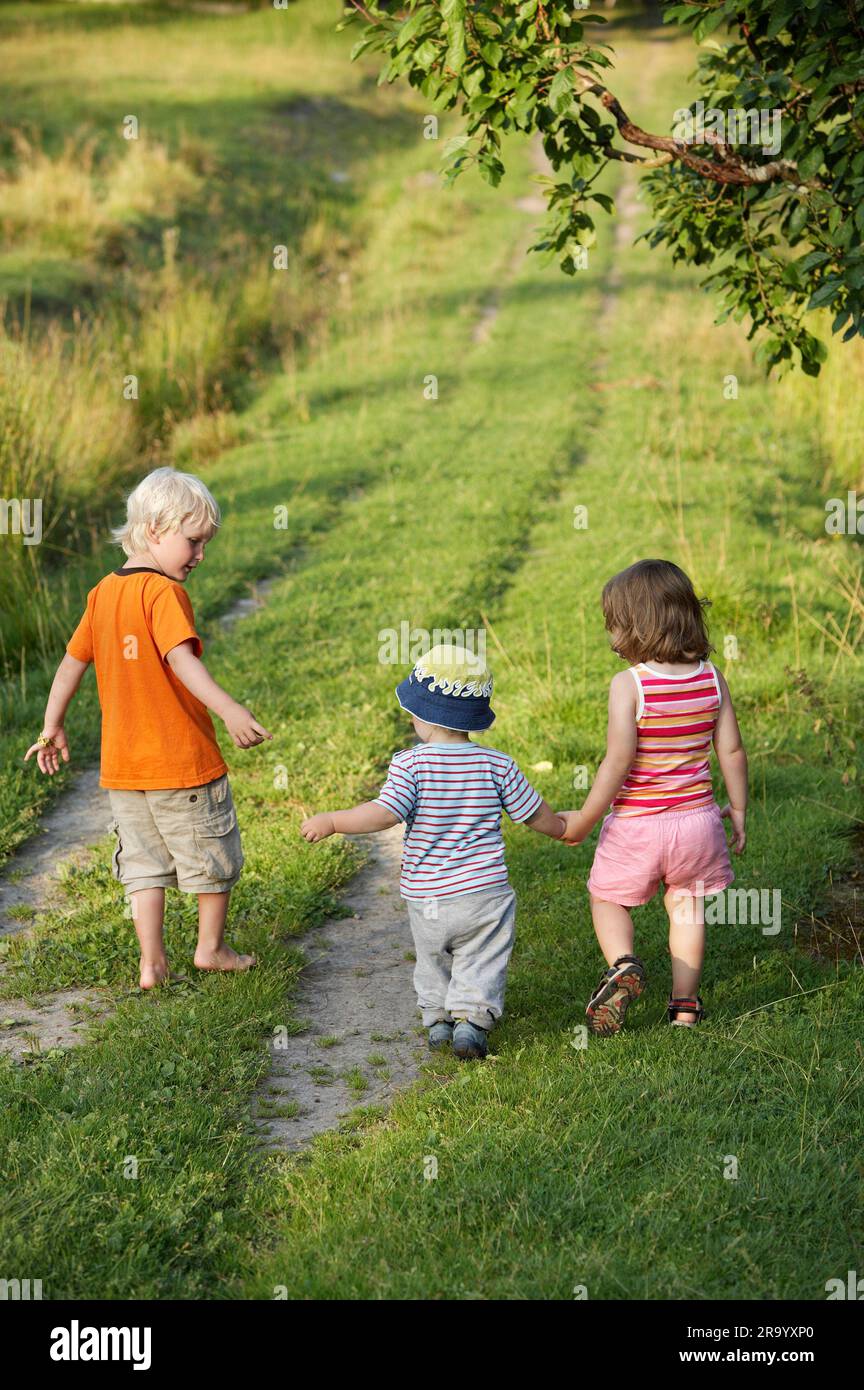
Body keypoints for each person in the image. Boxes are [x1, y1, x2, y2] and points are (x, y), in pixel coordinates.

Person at [24, 466, 271, 989]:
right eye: (194, 541)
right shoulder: (162, 594)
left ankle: (152, 962)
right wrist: (229, 710)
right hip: (181, 762)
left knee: (144, 866)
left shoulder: (101, 593)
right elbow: (183, 662)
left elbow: (71, 663)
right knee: (212, 854)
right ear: (157, 529)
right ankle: (211, 947)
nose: (200, 555)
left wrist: (52, 726)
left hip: (124, 769)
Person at [300, 643, 565, 1059]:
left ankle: (438, 1020)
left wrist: (334, 821)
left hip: (429, 898)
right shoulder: (499, 765)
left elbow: (384, 814)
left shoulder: (411, 764)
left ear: (423, 716)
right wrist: (566, 826)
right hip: (485, 894)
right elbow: (535, 816)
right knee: (481, 958)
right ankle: (472, 1022)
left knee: (431, 959)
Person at [559, 559, 747, 1032]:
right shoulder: (711, 678)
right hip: (699, 824)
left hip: (637, 825)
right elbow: (731, 749)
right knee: (686, 906)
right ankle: (685, 1006)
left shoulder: (630, 686)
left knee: (607, 898)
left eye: (615, 626)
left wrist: (584, 818)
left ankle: (623, 963)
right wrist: (739, 808)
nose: (612, 638)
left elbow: (617, 763)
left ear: (638, 628)